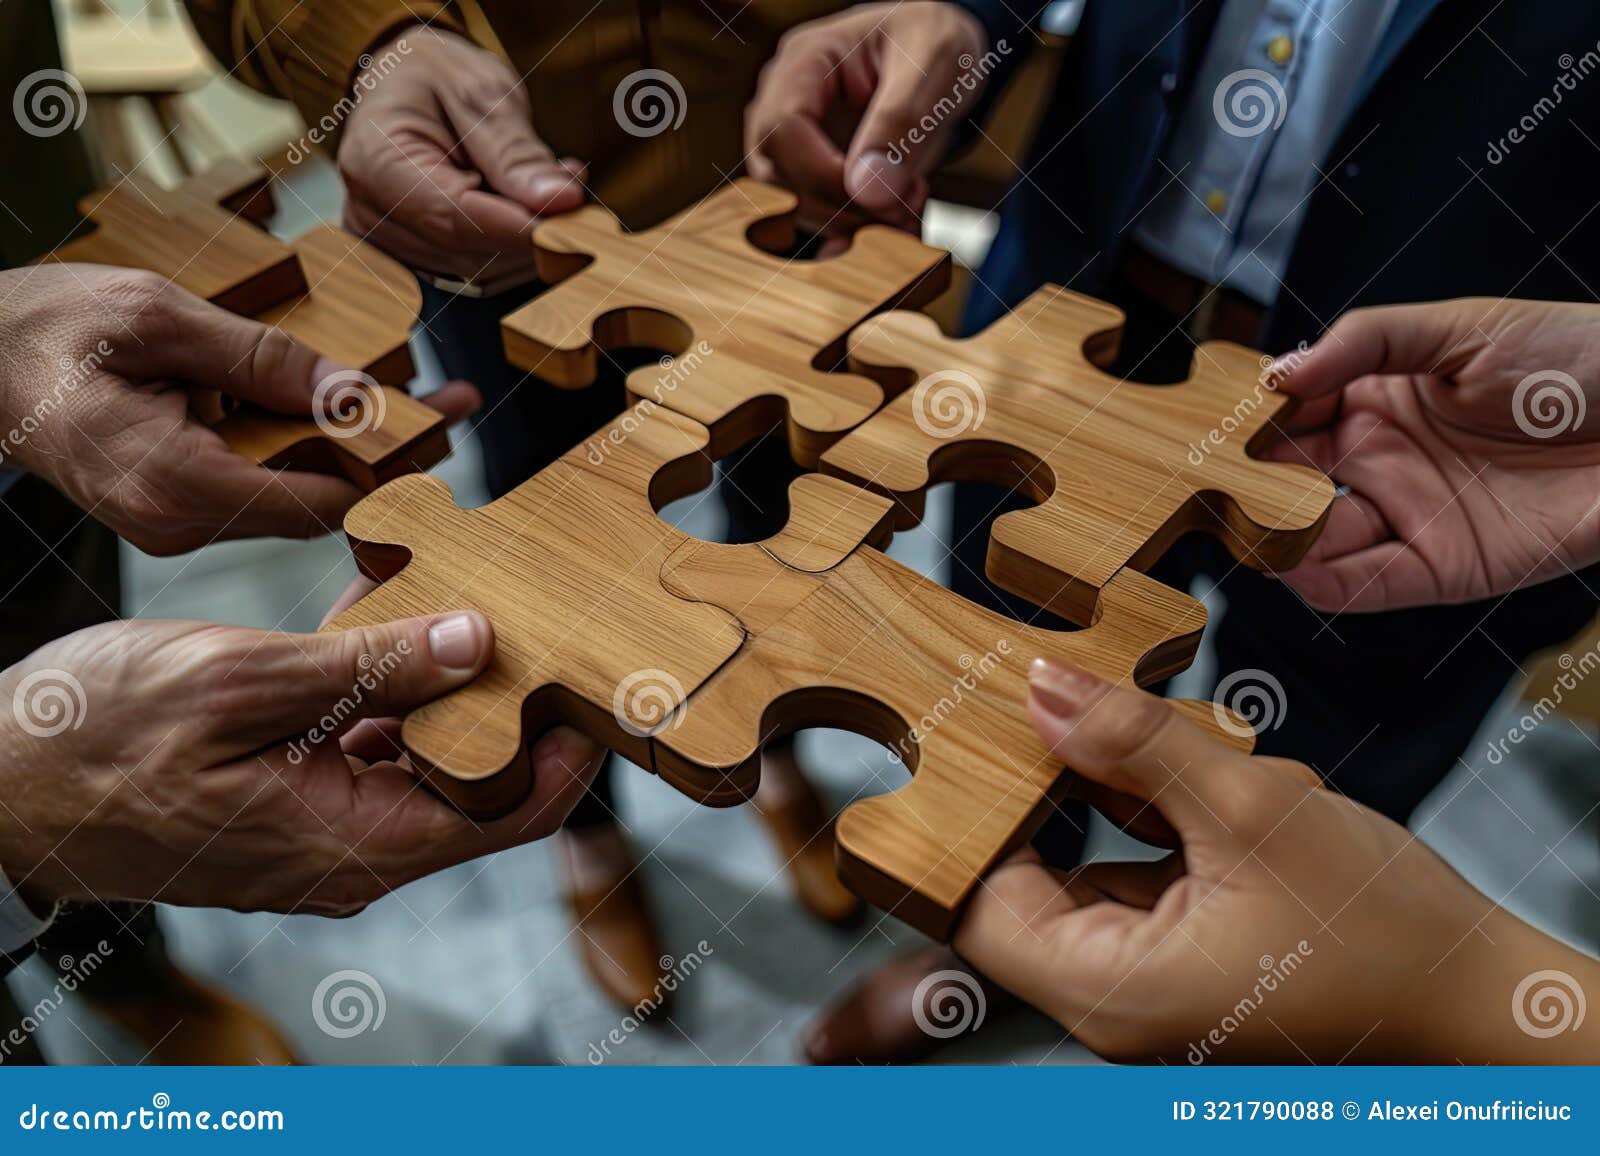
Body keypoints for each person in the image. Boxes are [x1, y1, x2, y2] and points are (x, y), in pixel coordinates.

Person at [749, 0, 1600, 1061]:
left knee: (1331, 784)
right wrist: (962, 20)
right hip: (1082, 310)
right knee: (1006, 698)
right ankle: (987, 961)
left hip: (1446, 416)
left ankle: (1279, 1017)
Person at [181, 0, 867, 1015]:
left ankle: (774, 753)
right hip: (497, 209)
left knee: (775, 486)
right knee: (542, 548)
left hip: (766, 172)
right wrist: (376, 44)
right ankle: (586, 838)